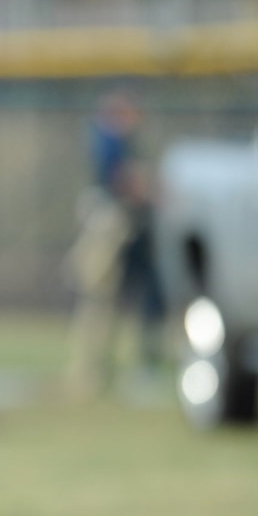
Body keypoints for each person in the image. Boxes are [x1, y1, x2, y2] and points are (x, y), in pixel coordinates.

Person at [65, 89, 165, 400]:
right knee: (99, 301)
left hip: (127, 228)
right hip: (111, 227)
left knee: (129, 301)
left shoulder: (120, 142)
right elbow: (123, 182)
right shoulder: (107, 140)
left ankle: (107, 373)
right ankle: (89, 374)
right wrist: (153, 193)